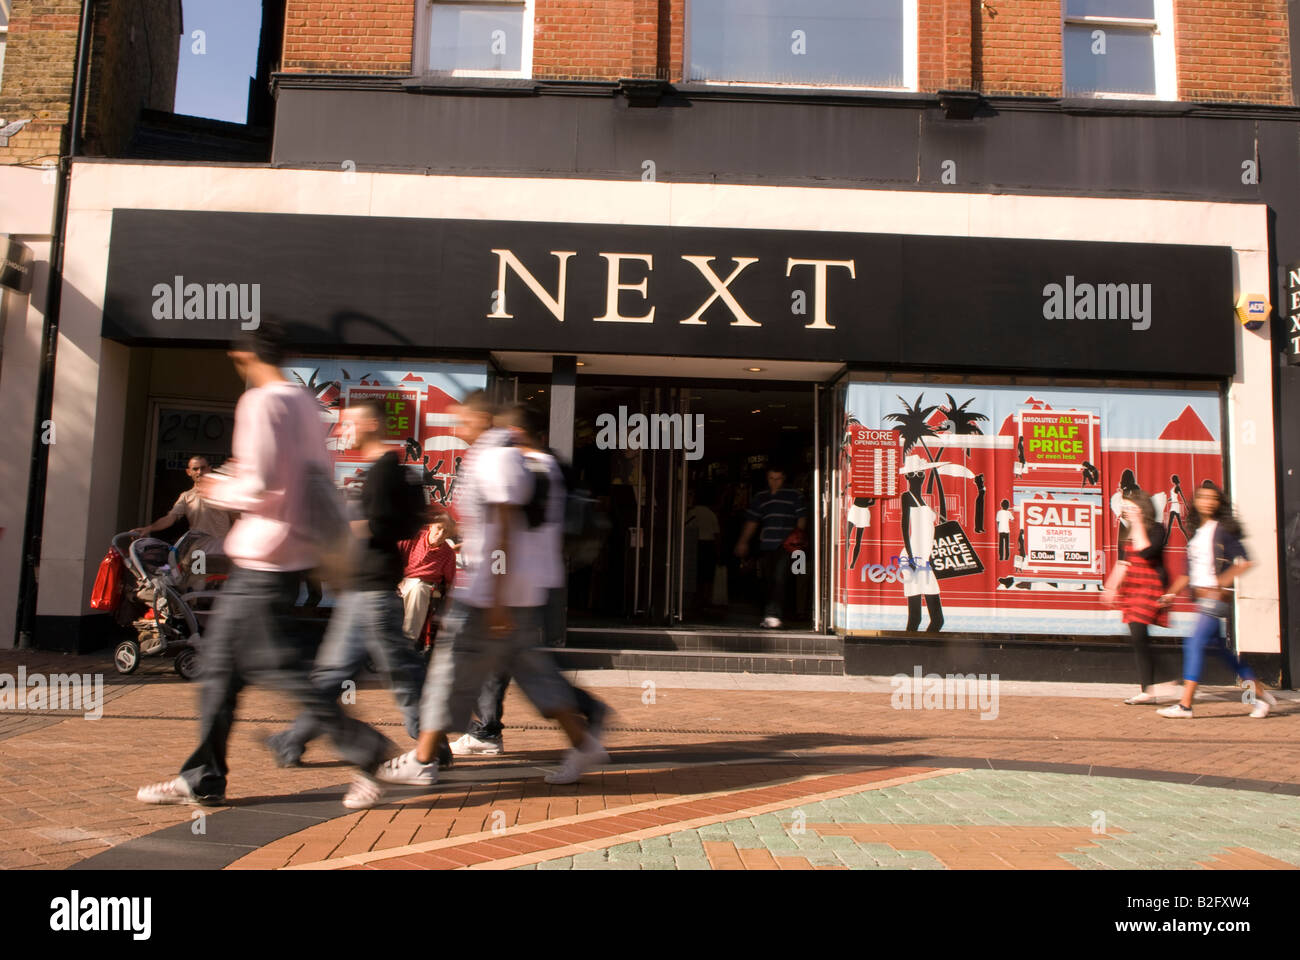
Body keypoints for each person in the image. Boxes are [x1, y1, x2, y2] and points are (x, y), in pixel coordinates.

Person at [136, 320, 396, 811]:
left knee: (277, 671)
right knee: (222, 672)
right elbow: (313, 480)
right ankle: (203, 776)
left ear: (243, 356)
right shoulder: (304, 404)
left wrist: (216, 487)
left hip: (260, 561)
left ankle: (371, 752)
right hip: (289, 559)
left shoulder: (259, 402)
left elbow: (258, 485)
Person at [377, 391, 607, 787]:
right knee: (535, 676)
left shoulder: (498, 456)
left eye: (462, 420)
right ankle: (584, 744)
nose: (457, 427)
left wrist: (497, 596)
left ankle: (424, 758)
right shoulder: (509, 456)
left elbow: (502, 524)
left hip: (488, 594)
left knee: (448, 673)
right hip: (510, 593)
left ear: (482, 418)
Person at [264, 399, 437, 779]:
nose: (343, 431)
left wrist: (336, 529)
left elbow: (377, 527)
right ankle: (291, 740)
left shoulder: (382, 473)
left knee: (403, 673)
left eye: (350, 424)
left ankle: (431, 747)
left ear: (372, 424)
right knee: (334, 675)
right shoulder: (382, 471)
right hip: (363, 592)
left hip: (373, 593)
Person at [449, 404, 609, 760]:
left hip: (519, 584)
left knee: (522, 665)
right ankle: (488, 730)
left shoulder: (536, 467)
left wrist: (497, 584)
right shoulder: (547, 466)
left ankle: (478, 734)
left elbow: (512, 528)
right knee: (522, 664)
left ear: (515, 435)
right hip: (527, 582)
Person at [1156, 482, 1276, 719]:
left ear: (1218, 503)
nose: (1208, 502)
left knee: (1193, 644)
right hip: (1202, 598)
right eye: (1203, 498)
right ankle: (1260, 696)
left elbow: (1246, 561)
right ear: (1196, 503)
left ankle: (1185, 705)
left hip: (1215, 598)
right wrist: (1169, 594)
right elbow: (1187, 574)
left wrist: (1220, 582)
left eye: (1213, 498)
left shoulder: (1223, 530)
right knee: (1223, 654)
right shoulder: (1198, 534)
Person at [1101, 490, 1167, 705]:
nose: (1126, 511)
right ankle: (1150, 688)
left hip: (1150, 587)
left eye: (1131, 507)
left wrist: (1138, 524)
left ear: (1142, 508)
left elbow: (1146, 551)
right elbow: (1123, 562)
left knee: (1139, 632)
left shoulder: (1157, 529)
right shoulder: (1126, 531)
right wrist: (1110, 586)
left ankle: (1158, 684)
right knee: (1139, 638)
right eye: (1125, 507)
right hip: (1132, 587)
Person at [131, 455, 232, 587]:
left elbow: (238, 519)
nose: (199, 472)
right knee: (197, 585)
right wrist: (148, 529)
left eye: (203, 468)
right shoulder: (186, 497)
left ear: (210, 469)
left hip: (222, 549)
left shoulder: (225, 493)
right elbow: (170, 518)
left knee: (224, 586)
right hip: (199, 552)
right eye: (195, 469)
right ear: (189, 472)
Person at [734, 465, 807, 629]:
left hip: (788, 545)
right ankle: (770, 613)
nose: (775, 482)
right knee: (768, 579)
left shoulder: (794, 495)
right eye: (771, 479)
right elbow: (752, 521)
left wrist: (797, 539)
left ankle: (773, 614)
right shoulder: (761, 497)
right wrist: (743, 541)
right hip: (767, 544)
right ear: (767, 479)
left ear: (784, 478)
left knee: (780, 578)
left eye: (778, 478)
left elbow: (802, 518)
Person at [898, 455, 944, 632]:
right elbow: (904, 528)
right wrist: (910, 557)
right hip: (913, 558)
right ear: (907, 477)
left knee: (937, 619)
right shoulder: (907, 497)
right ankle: (909, 648)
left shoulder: (923, 500)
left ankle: (922, 647)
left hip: (924, 559)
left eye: (921, 473)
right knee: (916, 616)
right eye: (914, 474)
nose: (918, 477)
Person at [397, 511, 458, 644]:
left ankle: (409, 640)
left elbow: (449, 585)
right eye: (439, 528)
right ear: (430, 526)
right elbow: (394, 556)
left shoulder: (448, 554)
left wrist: (444, 614)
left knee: (419, 589)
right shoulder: (413, 538)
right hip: (402, 580)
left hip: (426, 584)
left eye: (445, 532)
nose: (441, 534)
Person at [1166, 474, 1187, 541]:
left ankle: (1165, 541)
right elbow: (1173, 497)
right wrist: (1167, 500)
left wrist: (1186, 506)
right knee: (1177, 525)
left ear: (1174, 480)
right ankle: (1165, 541)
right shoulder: (1174, 487)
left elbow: (1182, 497)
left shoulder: (1177, 487)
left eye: (1172, 479)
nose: (1171, 480)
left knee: (1173, 525)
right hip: (1173, 505)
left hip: (1175, 506)